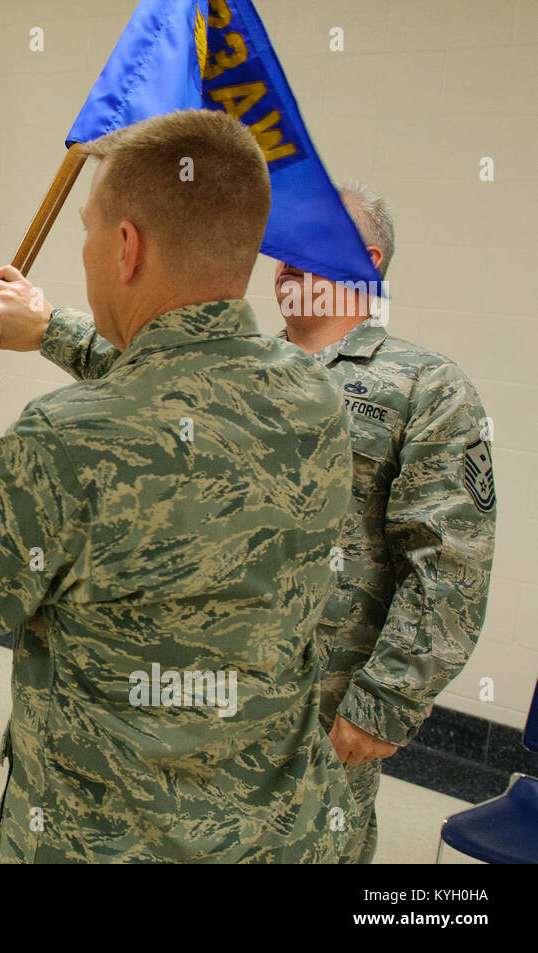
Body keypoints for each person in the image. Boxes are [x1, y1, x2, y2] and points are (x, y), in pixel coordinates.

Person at [0, 108, 356, 863]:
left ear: (126, 247)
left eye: (87, 230)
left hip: (111, 838)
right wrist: (51, 328)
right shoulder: (314, 397)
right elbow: (184, 397)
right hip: (280, 829)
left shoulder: (68, 437)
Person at [272, 183, 495, 863]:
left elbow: (449, 565)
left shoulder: (426, 385)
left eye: (309, 235)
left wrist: (385, 702)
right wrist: (42, 325)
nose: (283, 255)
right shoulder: (237, 368)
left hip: (320, 712)